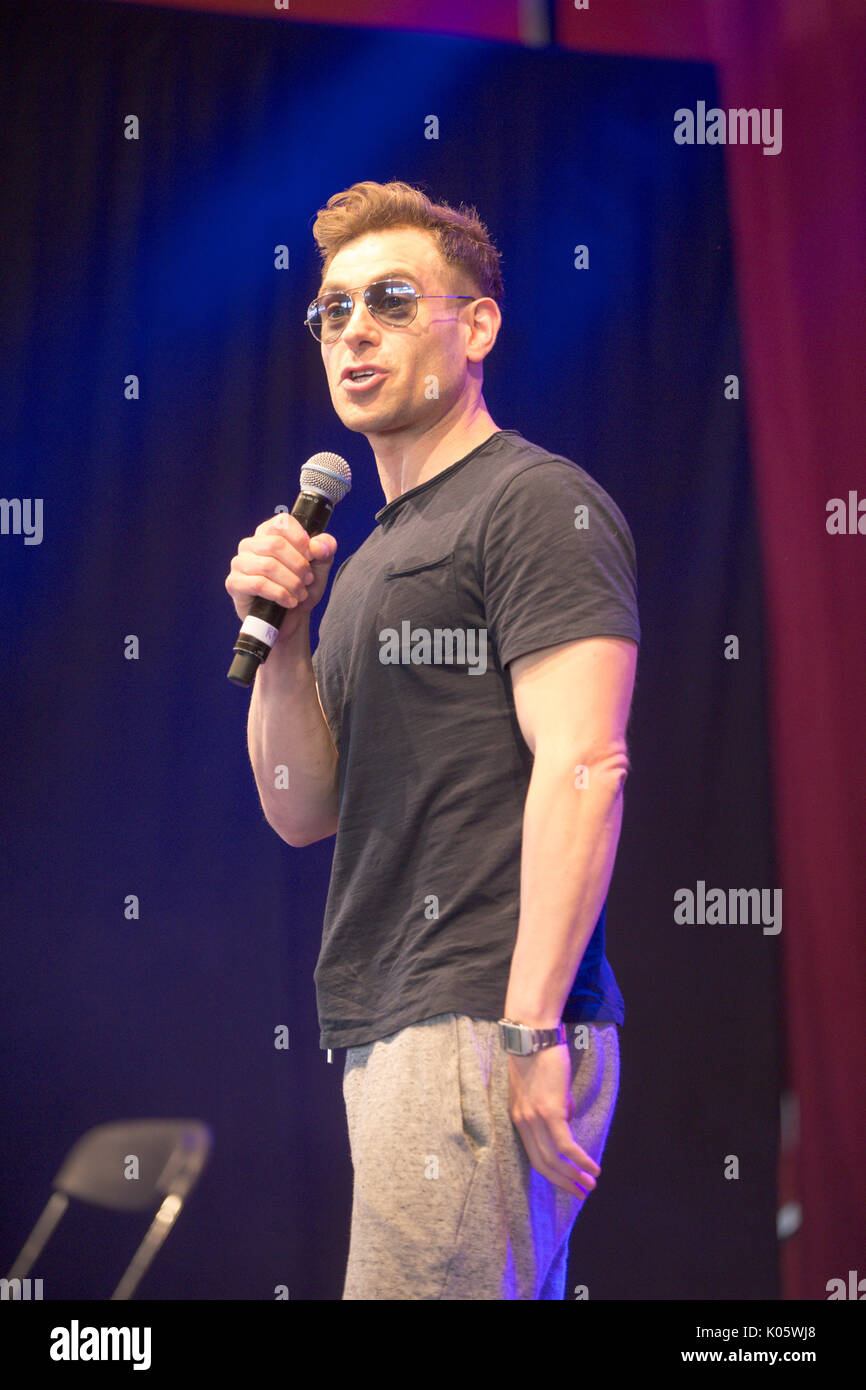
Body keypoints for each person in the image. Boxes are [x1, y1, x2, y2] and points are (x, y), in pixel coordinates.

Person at [225, 180, 640, 1300]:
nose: (353, 330)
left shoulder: (532, 503)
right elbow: (301, 809)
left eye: (392, 301)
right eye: (333, 310)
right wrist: (285, 642)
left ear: (478, 325)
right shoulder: (364, 562)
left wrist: (528, 1027)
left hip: (480, 1014)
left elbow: (586, 764)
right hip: (399, 1021)